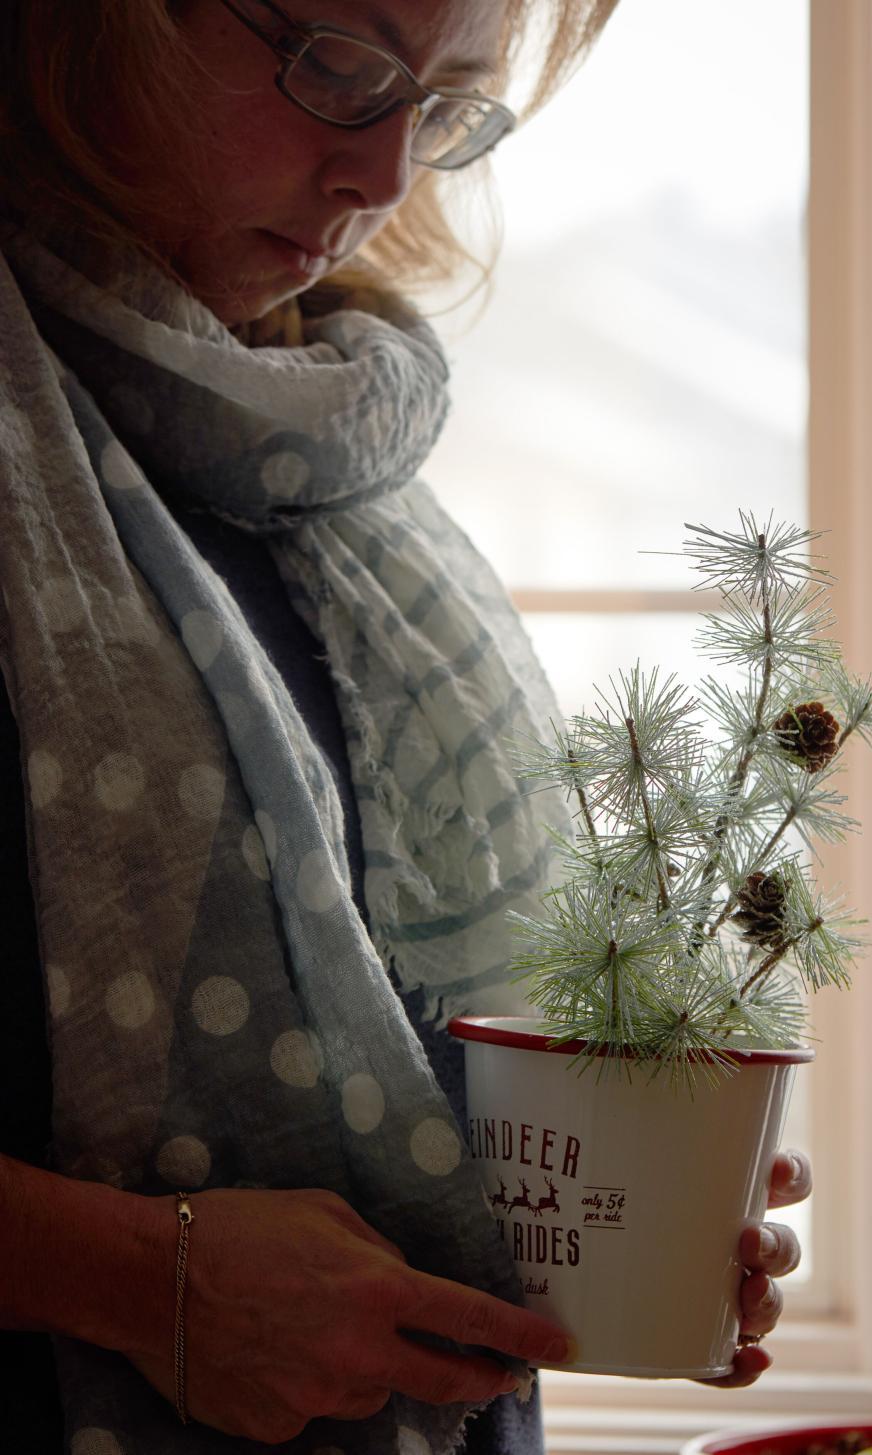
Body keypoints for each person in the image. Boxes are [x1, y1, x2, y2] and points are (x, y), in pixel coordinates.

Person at [0, 1, 811, 1451]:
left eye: (439, 108)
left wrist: (610, 1203)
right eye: (341, 67)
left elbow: (405, 1033)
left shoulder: (334, 435)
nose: (383, 176)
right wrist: (134, 1282)